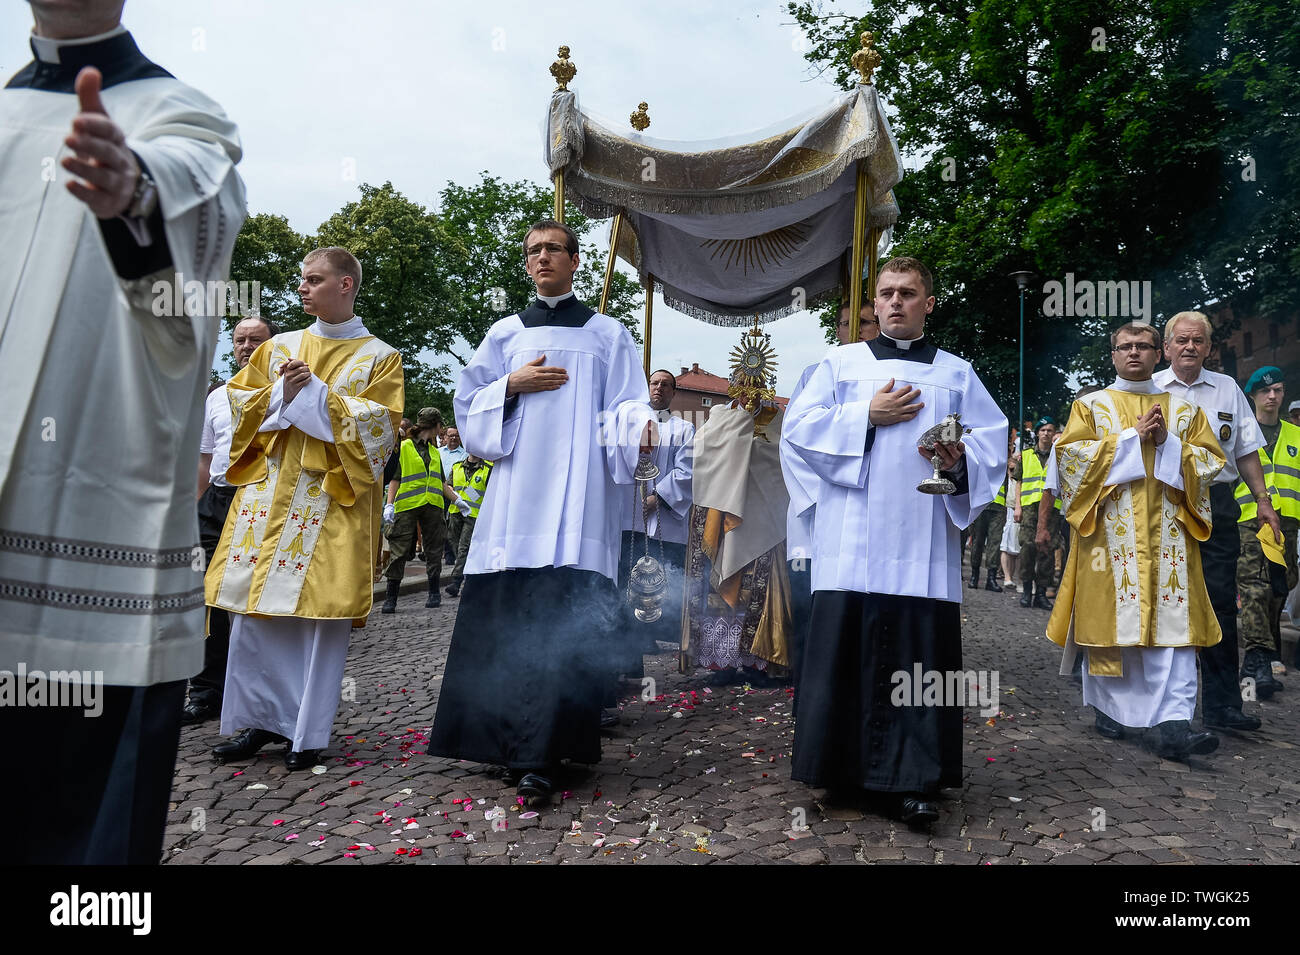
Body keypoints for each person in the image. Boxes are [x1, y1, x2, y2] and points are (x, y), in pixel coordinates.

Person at [0, 1, 246, 864]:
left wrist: (133, 193)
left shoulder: (184, 115)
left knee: (84, 861)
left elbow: (190, 230)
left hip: (90, 543)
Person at [426, 219, 652, 806]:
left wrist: (640, 426)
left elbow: (627, 404)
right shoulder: (505, 333)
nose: (543, 257)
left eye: (554, 248)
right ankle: (505, 743)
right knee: (510, 618)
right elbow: (468, 405)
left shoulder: (609, 334)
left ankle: (547, 751)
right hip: (514, 502)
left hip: (579, 506)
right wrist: (511, 384)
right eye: (533, 251)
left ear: (576, 261)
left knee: (561, 623)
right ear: (526, 265)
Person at [785, 256, 1007, 826]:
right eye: (887, 293)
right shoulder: (839, 365)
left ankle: (914, 779)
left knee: (919, 658)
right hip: (851, 540)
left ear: (928, 304)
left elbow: (992, 440)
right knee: (848, 651)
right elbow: (799, 433)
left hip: (921, 545)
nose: (896, 302)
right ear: (875, 302)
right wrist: (865, 414)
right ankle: (839, 769)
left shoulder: (957, 374)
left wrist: (960, 465)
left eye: (909, 293)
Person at [206, 247, 403, 770]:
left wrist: (309, 393)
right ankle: (257, 723)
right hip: (268, 504)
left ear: (345, 284)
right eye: (301, 280)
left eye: (314, 280)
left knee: (318, 621)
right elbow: (236, 406)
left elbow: (379, 433)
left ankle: (306, 734)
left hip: (328, 508)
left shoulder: (380, 357)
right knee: (256, 620)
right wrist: (279, 395)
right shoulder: (281, 346)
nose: (302, 288)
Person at [1048, 322, 1225, 759]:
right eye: (1125, 347)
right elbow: (1070, 463)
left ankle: (1174, 723)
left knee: (1175, 633)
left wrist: (1167, 444)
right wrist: (1131, 438)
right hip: (1109, 543)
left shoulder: (1184, 412)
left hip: (1170, 541)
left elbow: (1209, 464)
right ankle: (1112, 710)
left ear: (1157, 353)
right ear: (1113, 355)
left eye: (1143, 346)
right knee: (1112, 627)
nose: (1133, 353)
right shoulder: (1089, 406)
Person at [1152, 311, 1277, 732]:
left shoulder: (1227, 389)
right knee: (1162, 601)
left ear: (1209, 347)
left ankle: (1223, 707)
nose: (1190, 347)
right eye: (1181, 340)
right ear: (1166, 347)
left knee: (1220, 603)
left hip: (1216, 503)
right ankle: (1162, 710)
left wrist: (1263, 499)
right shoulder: (1149, 389)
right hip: (1162, 505)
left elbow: (1245, 451)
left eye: (1198, 340)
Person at [185, 315, 275, 724]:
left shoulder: (282, 393)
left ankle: (254, 692)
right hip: (216, 501)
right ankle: (205, 692)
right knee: (206, 596)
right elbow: (205, 458)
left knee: (251, 597)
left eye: (255, 339)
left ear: (273, 343)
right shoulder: (216, 397)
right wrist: (195, 506)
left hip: (260, 500)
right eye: (239, 340)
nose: (246, 346)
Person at [681, 360, 792, 686]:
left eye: (755, 383)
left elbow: (779, 463)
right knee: (714, 590)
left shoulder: (775, 421)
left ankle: (760, 662)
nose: (749, 391)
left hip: (761, 519)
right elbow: (702, 458)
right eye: (743, 383)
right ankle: (721, 664)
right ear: (733, 385)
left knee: (754, 590)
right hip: (719, 519)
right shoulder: (719, 418)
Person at [613, 370, 695, 674]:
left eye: (665, 385)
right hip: (628, 521)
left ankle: (654, 641)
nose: (658, 388)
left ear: (674, 392)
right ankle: (629, 661)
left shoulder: (683, 428)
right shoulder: (628, 426)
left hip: (663, 522)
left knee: (658, 590)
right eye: (654, 383)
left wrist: (657, 498)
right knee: (628, 589)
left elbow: (688, 471)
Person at [1234, 366, 1297, 696]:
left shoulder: (1296, 435)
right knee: (1254, 588)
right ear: (1253, 396)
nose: (1273, 396)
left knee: (1280, 588)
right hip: (1250, 520)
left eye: (1278, 390)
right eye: (1266, 391)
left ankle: (1260, 658)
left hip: (1288, 523)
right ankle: (1258, 659)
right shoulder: (1241, 432)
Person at [380, 407, 449, 612]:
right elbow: (395, 477)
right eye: (440, 425)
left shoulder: (435, 451)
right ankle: (391, 598)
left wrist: (458, 500)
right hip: (407, 506)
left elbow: (442, 482)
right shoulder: (405, 446)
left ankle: (434, 593)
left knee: (434, 549)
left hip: (433, 505)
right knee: (399, 550)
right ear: (436, 426)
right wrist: (389, 504)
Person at [1014, 418, 1060, 609]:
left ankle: (1041, 593)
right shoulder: (1025, 455)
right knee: (1027, 548)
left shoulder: (1059, 456)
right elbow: (1019, 482)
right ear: (1038, 433)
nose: (1046, 433)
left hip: (1051, 510)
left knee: (1047, 551)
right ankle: (1026, 590)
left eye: (1050, 430)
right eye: (1042, 430)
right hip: (1030, 508)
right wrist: (1017, 506)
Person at [967, 428, 1014, 591]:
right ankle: (974, 576)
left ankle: (991, 578)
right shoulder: (980, 453)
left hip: (998, 506)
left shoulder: (1005, 459)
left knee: (994, 543)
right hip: (980, 505)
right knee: (977, 542)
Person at [444, 453, 493, 598]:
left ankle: (456, 581)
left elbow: (490, 493)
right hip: (455, 511)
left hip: (473, 514)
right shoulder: (456, 466)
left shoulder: (488, 469)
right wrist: (454, 494)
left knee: (463, 547)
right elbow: (448, 485)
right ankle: (468, 573)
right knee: (455, 543)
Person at [440, 425, 469, 564]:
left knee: (451, 525)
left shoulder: (465, 455)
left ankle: (450, 555)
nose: (453, 438)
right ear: (445, 438)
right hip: (437, 493)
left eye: (456, 435)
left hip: (455, 496)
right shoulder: (437, 452)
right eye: (450, 435)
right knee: (439, 525)